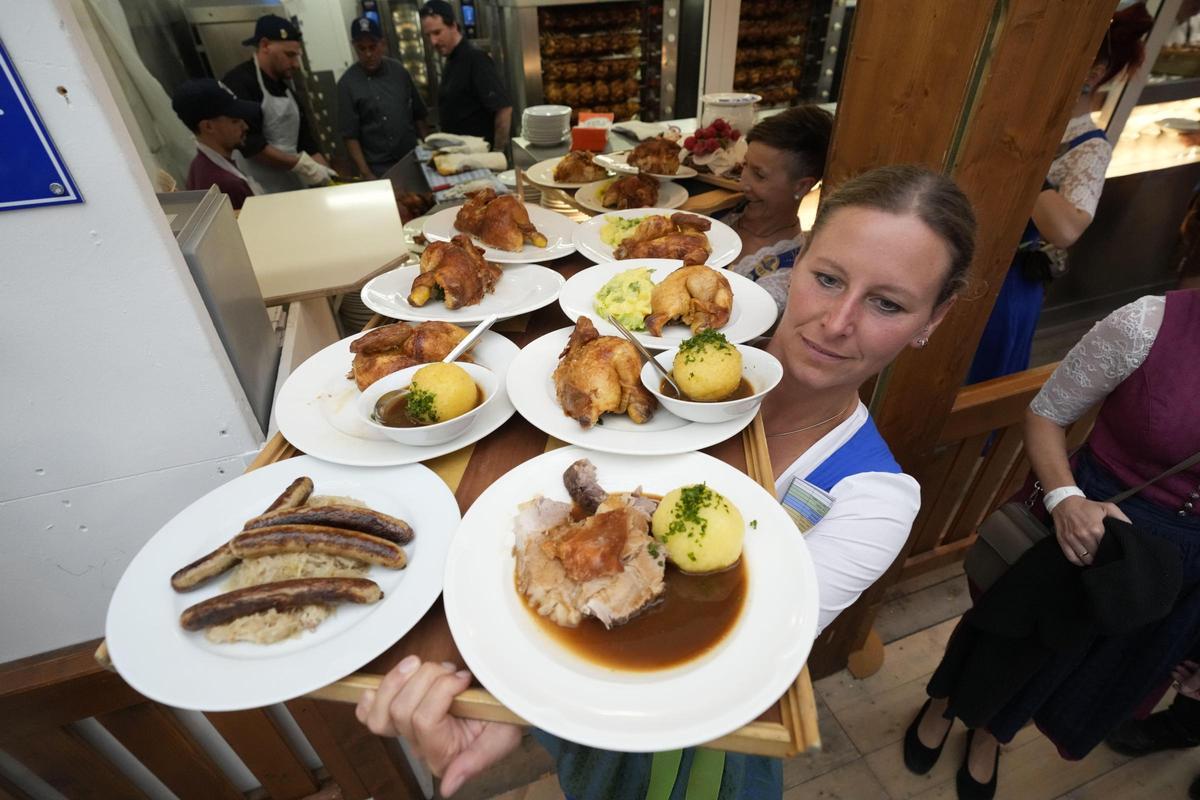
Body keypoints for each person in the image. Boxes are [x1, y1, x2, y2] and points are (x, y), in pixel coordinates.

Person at [356, 164, 979, 798]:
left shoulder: (874, 499)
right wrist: (503, 704)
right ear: (799, 261)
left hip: (708, 762)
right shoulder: (660, 374)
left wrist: (520, 706)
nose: (838, 321)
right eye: (827, 279)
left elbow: (740, 660)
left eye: (888, 303)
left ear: (934, 319)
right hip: (585, 724)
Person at [907, 288, 1200, 800]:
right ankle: (942, 703)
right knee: (1005, 635)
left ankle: (992, 735)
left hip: (1175, 570)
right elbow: (1046, 414)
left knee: (1070, 672)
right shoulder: (1149, 323)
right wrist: (1065, 500)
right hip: (1092, 529)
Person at [967, 4, 1152, 384]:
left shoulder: (1089, 146)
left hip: (1006, 284)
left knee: (979, 378)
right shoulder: (1016, 117)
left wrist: (1028, 163)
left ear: (1094, 73)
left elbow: (1066, 230)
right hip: (966, 258)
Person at [721, 105, 834, 314]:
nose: (743, 183)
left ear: (801, 186)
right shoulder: (718, 211)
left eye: (759, 175)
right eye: (745, 165)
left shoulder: (787, 274)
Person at [222, 14, 335, 193]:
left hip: (292, 184)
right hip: (260, 188)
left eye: (297, 56)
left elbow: (306, 143)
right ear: (265, 45)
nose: (296, 64)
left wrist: (330, 178)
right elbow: (251, 145)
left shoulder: (286, 89)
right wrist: (300, 164)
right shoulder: (239, 83)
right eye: (290, 55)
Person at [337, 16, 431, 179]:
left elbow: (418, 115)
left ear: (382, 44)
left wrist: (431, 151)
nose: (368, 54)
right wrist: (365, 172)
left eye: (373, 47)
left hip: (412, 159)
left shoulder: (399, 71)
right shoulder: (347, 84)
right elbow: (350, 136)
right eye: (361, 48)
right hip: (378, 167)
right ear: (354, 47)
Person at [419, 0, 512, 152]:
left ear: (453, 26)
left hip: (479, 158)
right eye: (428, 35)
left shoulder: (475, 59)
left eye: (437, 32)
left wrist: (497, 154)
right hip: (460, 157)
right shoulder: (451, 59)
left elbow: (504, 109)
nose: (433, 41)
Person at [170, 78, 262, 209]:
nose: (245, 126)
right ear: (208, 126)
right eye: (235, 121)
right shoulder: (227, 185)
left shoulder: (198, 165)